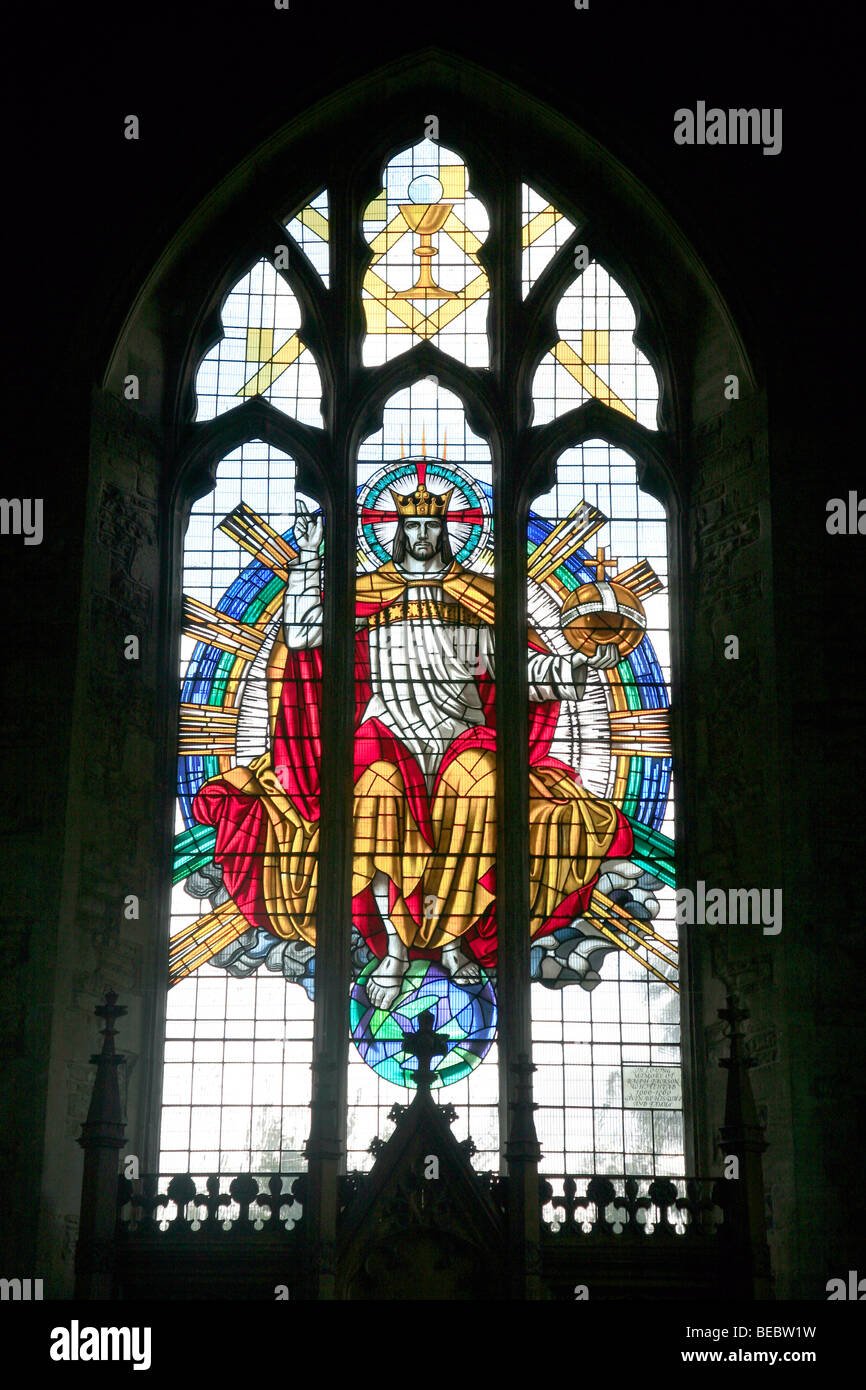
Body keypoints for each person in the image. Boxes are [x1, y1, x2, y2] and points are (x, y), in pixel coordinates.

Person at [192, 460, 632, 1008]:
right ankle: (395, 951)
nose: (423, 536)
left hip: (461, 738)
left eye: (432, 527)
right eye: (413, 527)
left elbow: (522, 673)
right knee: (374, 799)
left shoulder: (475, 603)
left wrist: (581, 668)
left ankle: (450, 941)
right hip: (386, 736)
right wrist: (308, 559)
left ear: (447, 532)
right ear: (397, 533)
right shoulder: (365, 598)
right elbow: (304, 636)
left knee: (486, 789)